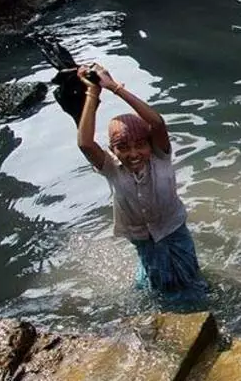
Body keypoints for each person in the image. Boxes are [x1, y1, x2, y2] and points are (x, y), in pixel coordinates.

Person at [75, 64, 206, 296]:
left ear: (149, 144)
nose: (133, 154)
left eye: (140, 145)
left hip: (174, 230)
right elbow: (85, 144)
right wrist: (92, 93)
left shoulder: (160, 157)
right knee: (158, 288)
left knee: (192, 281)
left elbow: (156, 123)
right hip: (142, 238)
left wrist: (114, 87)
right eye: (123, 147)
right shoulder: (111, 168)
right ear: (112, 150)